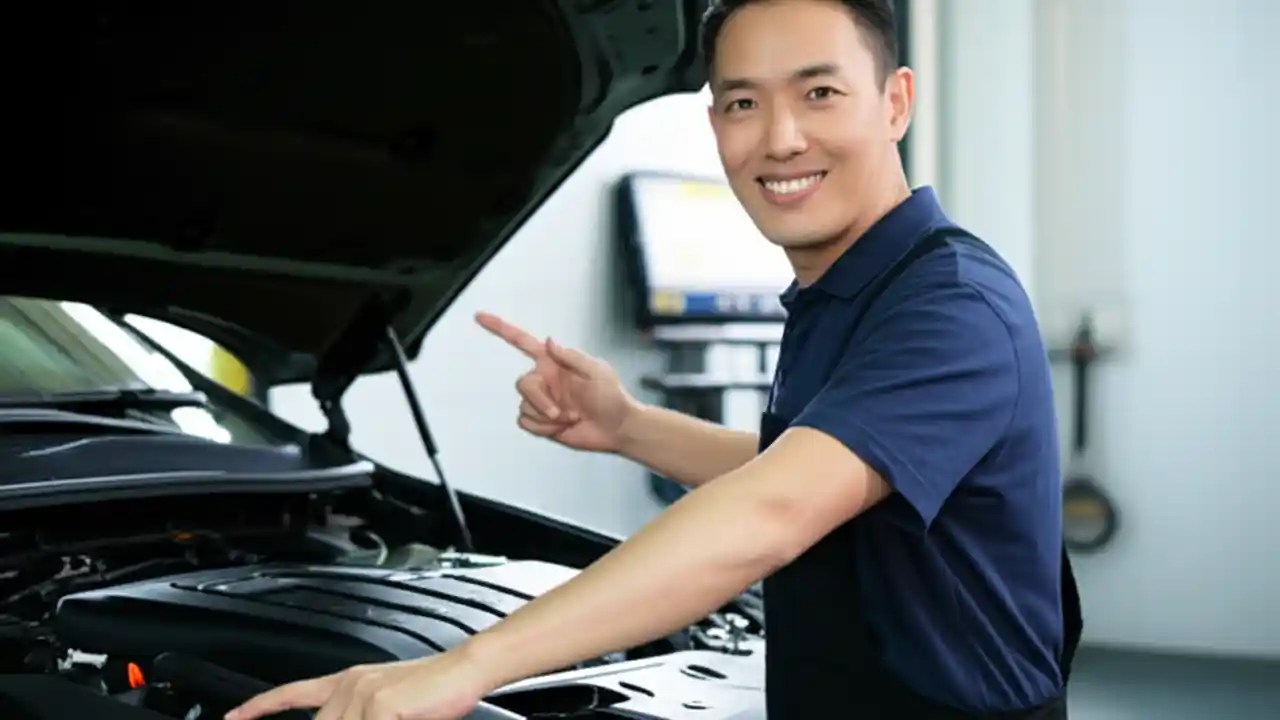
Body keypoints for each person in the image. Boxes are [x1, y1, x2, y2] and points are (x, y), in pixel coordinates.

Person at [225, 1, 1080, 718]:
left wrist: (463, 667)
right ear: (714, 124)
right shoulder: (854, 287)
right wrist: (628, 426)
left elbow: (776, 508)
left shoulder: (948, 303)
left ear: (895, 103)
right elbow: (819, 471)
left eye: (819, 92)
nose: (780, 138)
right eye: (743, 104)